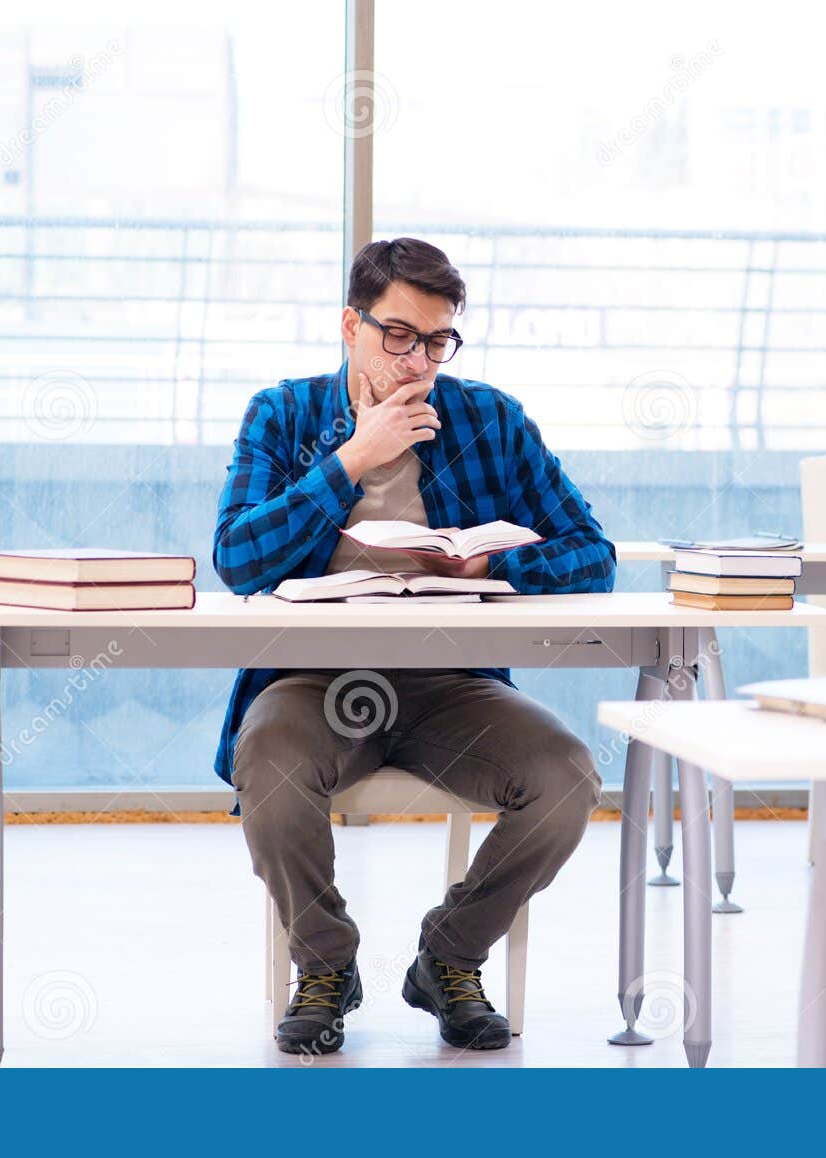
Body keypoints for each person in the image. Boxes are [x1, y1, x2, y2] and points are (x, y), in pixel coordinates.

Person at [212, 237, 615, 1055]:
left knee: (564, 776)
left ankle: (449, 957)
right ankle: (326, 967)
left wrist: (496, 561)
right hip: (316, 681)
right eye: (399, 335)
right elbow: (238, 557)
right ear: (350, 327)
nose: (418, 362)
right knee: (270, 761)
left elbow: (593, 553)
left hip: (448, 684)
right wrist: (354, 458)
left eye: (437, 341)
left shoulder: (490, 419)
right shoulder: (284, 414)